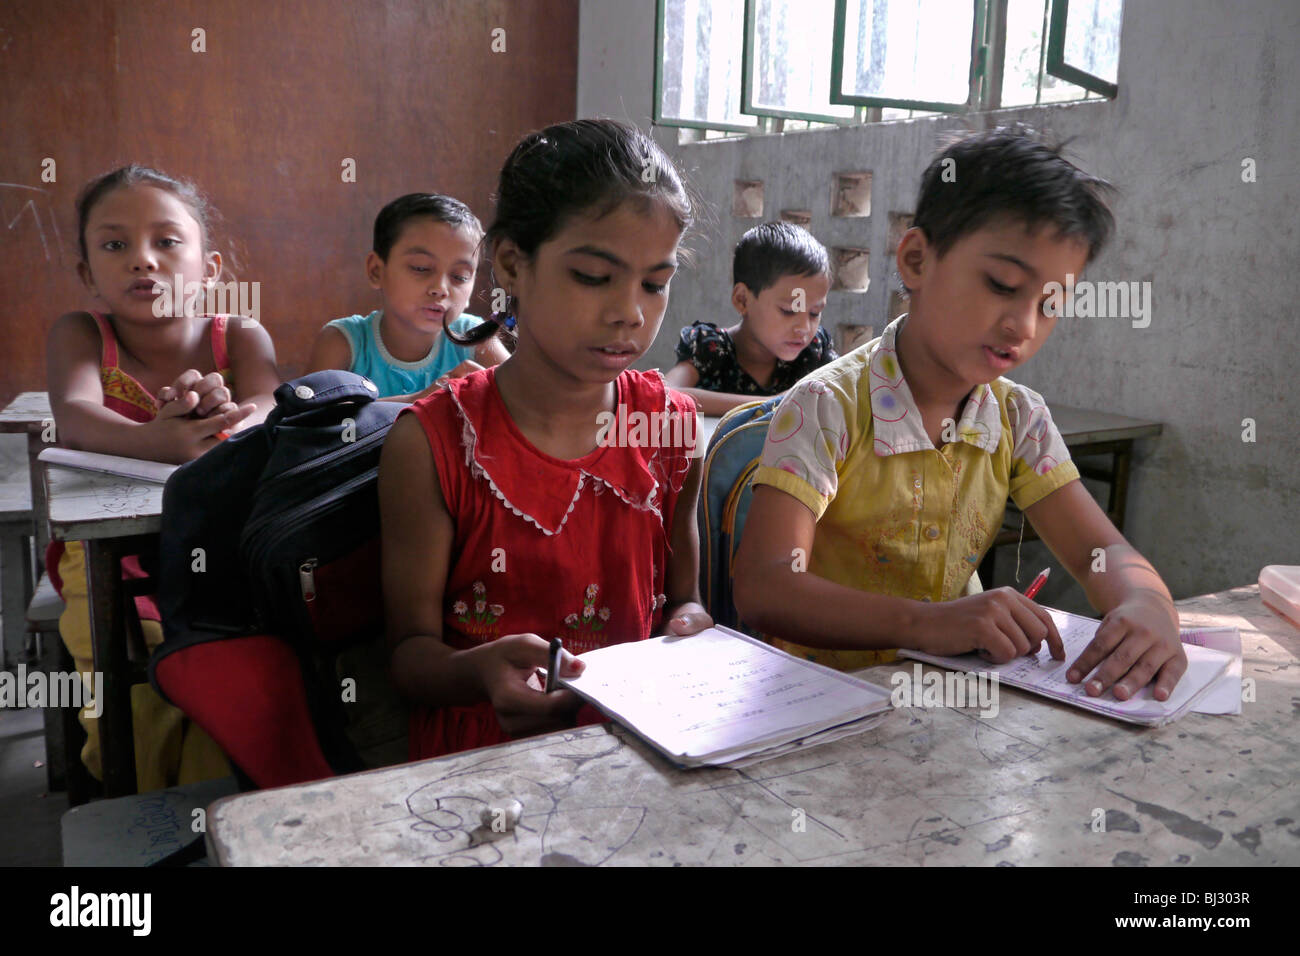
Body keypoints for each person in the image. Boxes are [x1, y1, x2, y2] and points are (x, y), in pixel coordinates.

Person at [734, 127, 1187, 702]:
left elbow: (1104, 553)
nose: (1023, 326)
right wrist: (928, 624)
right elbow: (766, 587)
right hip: (823, 707)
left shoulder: (1018, 418)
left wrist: (1147, 604)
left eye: (1050, 305)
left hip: (952, 712)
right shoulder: (828, 408)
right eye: (1002, 285)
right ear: (918, 259)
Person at [379, 120, 713, 760]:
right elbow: (408, 659)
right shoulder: (436, 444)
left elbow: (684, 601)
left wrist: (688, 625)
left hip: (637, 747)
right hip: (482, 759)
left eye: (654, 282)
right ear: (510, 262)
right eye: (593, 276)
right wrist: (480, 669)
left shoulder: (670, 428)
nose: (630, 313)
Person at [46, 165, 281, 787]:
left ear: (210, 268)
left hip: (225, 546)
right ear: (87, 273)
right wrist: (159, 440)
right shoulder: (81, 335)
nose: (142, 262)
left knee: (230, 669)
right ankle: (143, 792)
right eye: (115, 245)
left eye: (167, 242)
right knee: (131, 676)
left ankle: (218, 798)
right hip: (105, 553)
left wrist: (220, 418)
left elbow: (268, 406)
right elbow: (75, 418)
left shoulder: (240, 336)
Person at [305, 193, 508, 400]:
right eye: (421, 268)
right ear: (376, 271)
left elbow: (527, 399)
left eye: (459, 277)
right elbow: (309, 423)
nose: (440, 288)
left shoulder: (475, 339)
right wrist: (420, 401)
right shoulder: (344, 342)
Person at [666, 221, 836, 416]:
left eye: (814, 313)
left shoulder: (814, 352)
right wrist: (772, 403)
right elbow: (668, 395)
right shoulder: (711, 350)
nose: (804, 328)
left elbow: (850, 391)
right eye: (788, 311)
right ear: (743, 300)